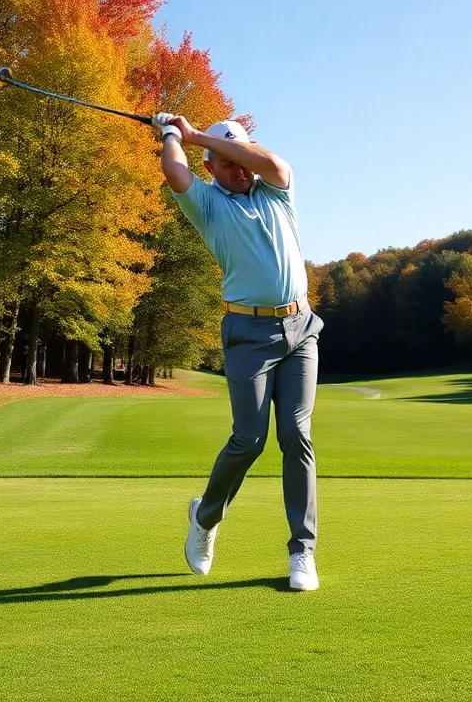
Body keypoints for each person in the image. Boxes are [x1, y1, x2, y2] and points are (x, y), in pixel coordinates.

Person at [153, 112, 324, 592]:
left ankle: (302, 552)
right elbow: (174, 171)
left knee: (296, 433)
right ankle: (205, 518)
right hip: (248, 335)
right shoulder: (207, 204)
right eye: (227, 164)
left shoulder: (276, 191)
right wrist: (172, 135)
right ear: (211, 167)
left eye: (241, 159)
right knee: (249, 439)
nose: (240, 171)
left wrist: (198, 134)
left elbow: (270, 162)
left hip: (301, 329)